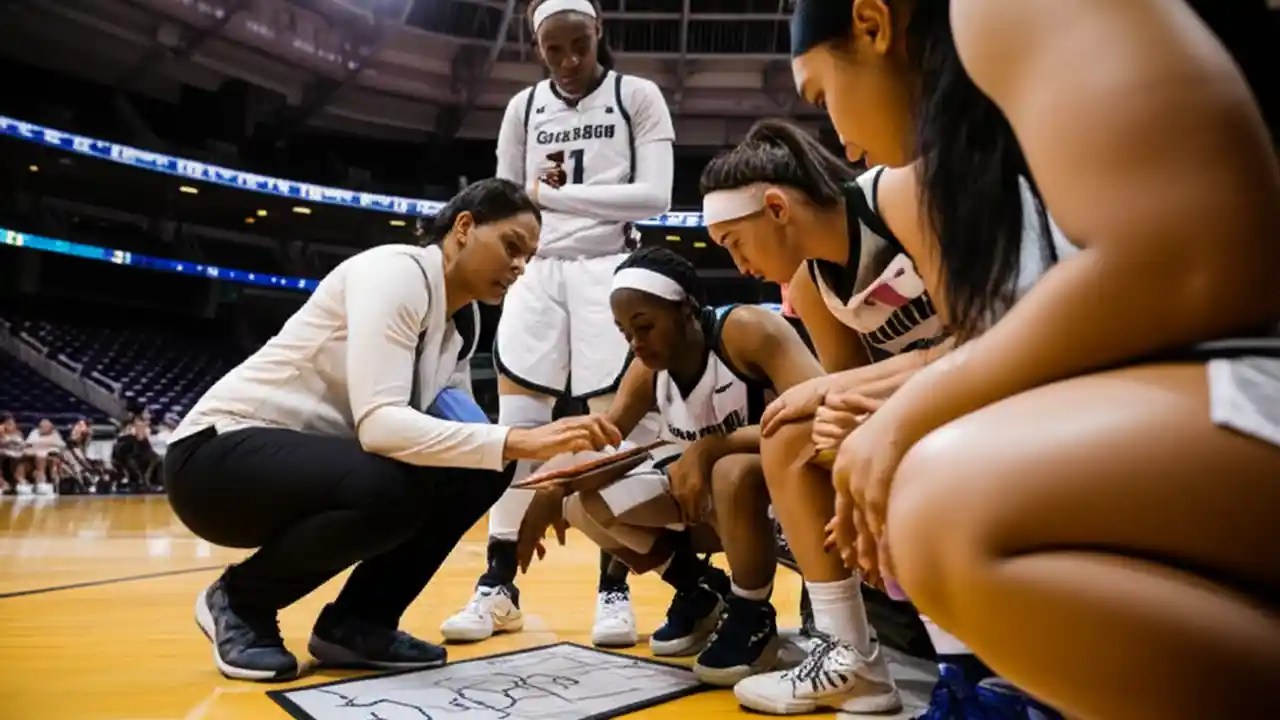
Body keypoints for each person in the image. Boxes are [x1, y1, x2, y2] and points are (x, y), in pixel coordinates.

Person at [791, 1, 1280, 718]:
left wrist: (906, 414)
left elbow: (1189, 259)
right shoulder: (980, 146)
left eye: (820, 94)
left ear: (872, 22)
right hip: (1227, 387)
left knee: (944, 500)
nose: (837, 135)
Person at [163, 178, 623, 683]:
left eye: (528, 257)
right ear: (464, 227)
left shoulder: (461, 321)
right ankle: (240, 600)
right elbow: (380, 426)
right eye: (512, 247)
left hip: (308, 469)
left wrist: (540, 472)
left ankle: (358, 622)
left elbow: (466, 435)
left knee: (482, 470)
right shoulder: (394, 273)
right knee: (393, 484)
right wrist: (519, 438)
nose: (519, 266)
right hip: (214, 460)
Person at [698, 118, 959, 715]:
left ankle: (972, 664)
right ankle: (850, 657)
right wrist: (847, 432)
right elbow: (843, 394)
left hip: (997, 387)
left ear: (775, 208)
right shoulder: (813, 285)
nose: (738, 266)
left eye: (734, 242)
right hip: (926, 409)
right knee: (791, 433)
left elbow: (984, 338)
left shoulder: (896, 203)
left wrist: (846, 394)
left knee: (811, 410)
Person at [441, 0, 674, 649]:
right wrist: (532, 205)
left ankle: (614, 589)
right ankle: (498, 585)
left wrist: (553, 197)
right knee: (517, 434)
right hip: (538, 271)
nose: (570, 61)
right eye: (554, 50)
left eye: (580, 44)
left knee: (610, 429)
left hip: (609, 267)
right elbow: (507, 198)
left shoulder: (638, 96)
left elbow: (656, 194)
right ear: (536, 46)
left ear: (599, 32)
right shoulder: (523, 108)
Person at [516, 247, 836, 687]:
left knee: (731, 471)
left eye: (644, 326)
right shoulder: (648, 369)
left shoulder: (746, 331)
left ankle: (753, 612)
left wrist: (711, 447)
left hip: (797, 510)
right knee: (583, 503)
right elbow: (606, 442)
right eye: (625, 332)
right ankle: (702, 592)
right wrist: (553, 489)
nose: (635, 342)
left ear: (686, 307)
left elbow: (824, 412)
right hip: (717, 517)